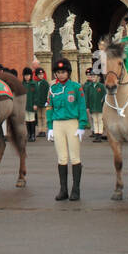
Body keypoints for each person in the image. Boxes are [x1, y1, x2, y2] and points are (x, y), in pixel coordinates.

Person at [46, 58, 87, 202]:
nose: (61, 74)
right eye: (58, 72)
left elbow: (82, 106)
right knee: (62, 157)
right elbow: (49, 107)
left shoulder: (76, 87)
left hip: (72, 123)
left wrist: (82, 125)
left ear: (68, 73)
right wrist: (50, 127)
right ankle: (63, 190)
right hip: (58, 124)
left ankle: (76, 190)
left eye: (63, 72)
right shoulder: (52, 89)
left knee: (75, 157)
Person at [83, 67, 105, 142]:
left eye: (94, 76)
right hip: (92, 107)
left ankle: (100, 134)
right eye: (92, 76)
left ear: (98, 77)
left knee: (100, 120)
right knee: (94, 120)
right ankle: (96, 134)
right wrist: (87, 106)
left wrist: (103, 105)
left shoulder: (101, 86)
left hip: (100, 106)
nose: (93, 78)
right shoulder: (89, 87)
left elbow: (105, 96)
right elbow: (87, 97)